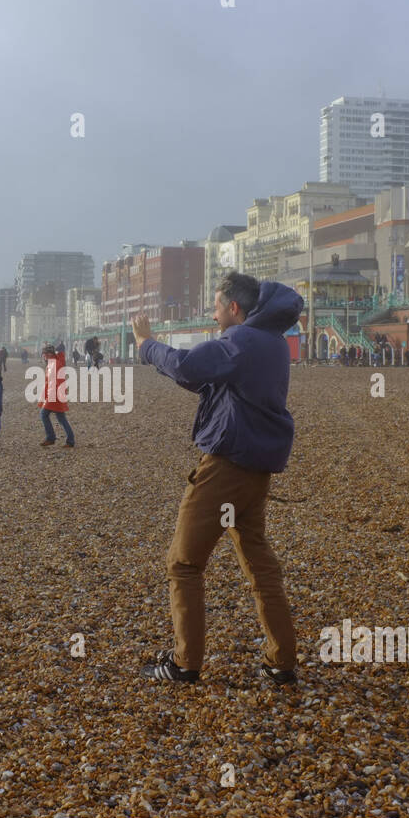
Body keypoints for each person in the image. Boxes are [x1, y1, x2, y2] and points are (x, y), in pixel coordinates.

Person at [133, 271, 302, 686]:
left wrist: (146, 344)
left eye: (215, 303)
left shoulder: (241, 340)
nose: (211, 311)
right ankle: (281, 662)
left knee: (183, 563)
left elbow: (187, 366)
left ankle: (184, 663)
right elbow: (205, 380)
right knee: (259, 564)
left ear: (233, 307)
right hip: (256, 471)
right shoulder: (273, 344)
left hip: (226, 466)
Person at [37, 343, 74, 447]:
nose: (43, 356)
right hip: (55, 394)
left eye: (44, 354)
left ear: (48, 354)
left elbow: (59, 380)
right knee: (61, 418)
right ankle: (70, 440)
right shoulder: (52, 362)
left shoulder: (55, 363)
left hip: (55, 395)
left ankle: (51, 438)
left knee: (44, 414)